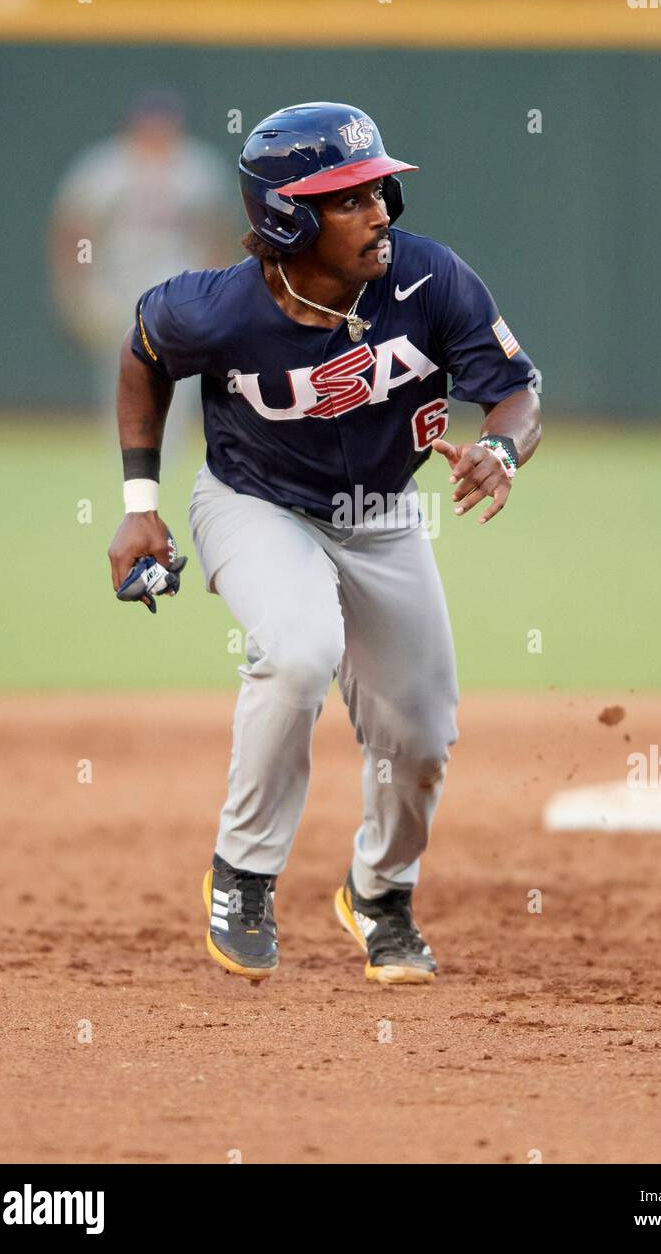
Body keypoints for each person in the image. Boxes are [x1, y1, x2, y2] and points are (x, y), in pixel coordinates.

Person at [108, 102, 541, 986]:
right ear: (288, 218)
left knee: (420, 735)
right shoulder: (217, 311)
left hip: (383, 517)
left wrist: (499, 449)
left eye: (379, 188)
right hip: (253, 504)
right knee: (299, 653)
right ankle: (243, 874)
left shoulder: (430, 281)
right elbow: (143, 354)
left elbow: (517, 395)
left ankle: (379, 895)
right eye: (349, 198)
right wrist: (139, 503)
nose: (380, 208)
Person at [49, 88, 237, 447]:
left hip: (176, 278)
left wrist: (218, 287)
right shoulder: (106, 167)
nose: (156, 132)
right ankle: (126, 445)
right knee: (122, 362)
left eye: (164, 125)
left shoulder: (196, 166)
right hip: (118, 279)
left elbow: (216, 229)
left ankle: (168, 446)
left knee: (179, 363)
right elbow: (73, 227)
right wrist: (75, 285)